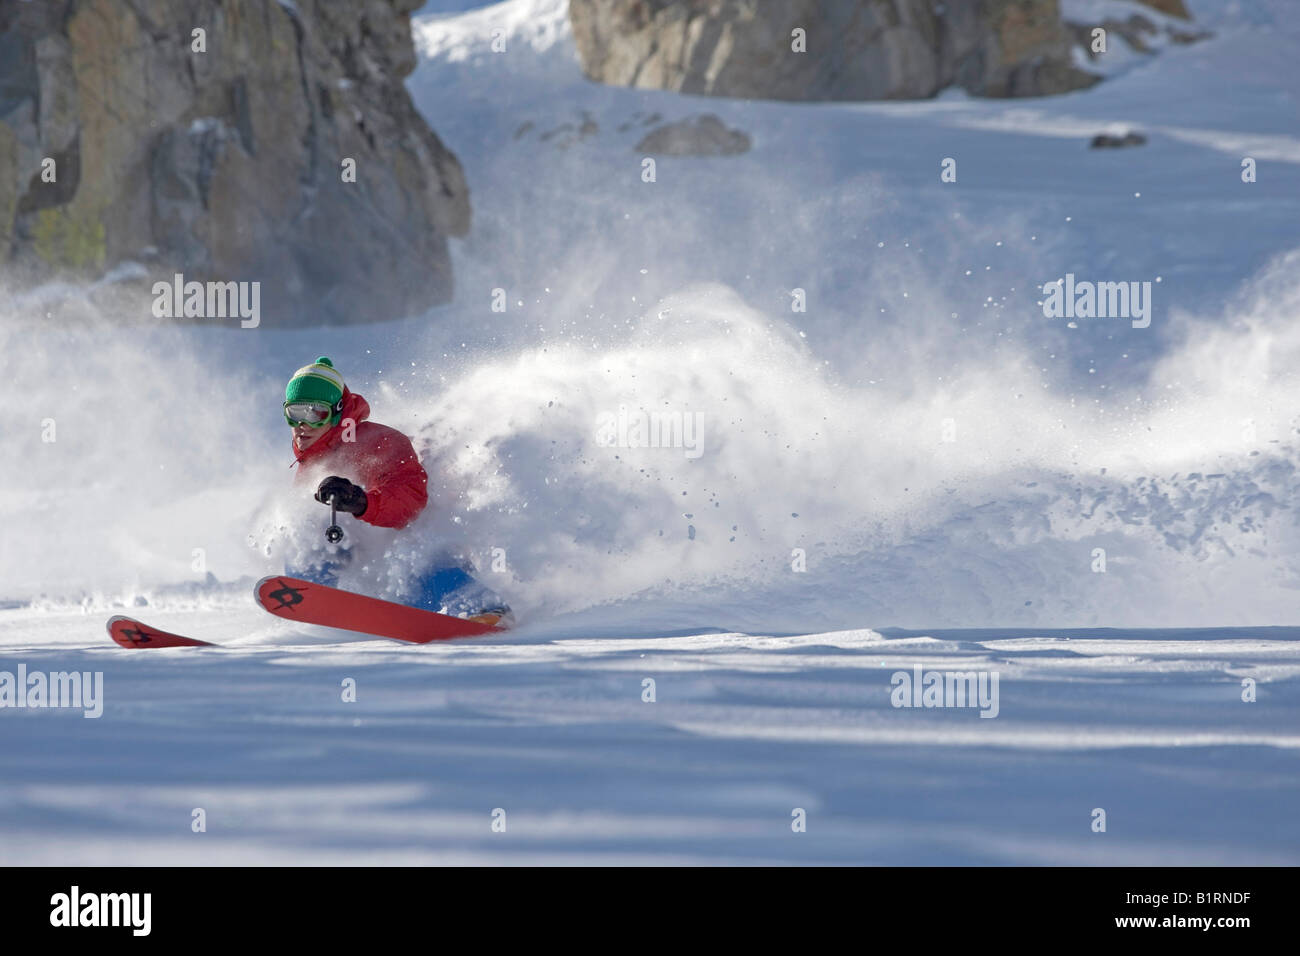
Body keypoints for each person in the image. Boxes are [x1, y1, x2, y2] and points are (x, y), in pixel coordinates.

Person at [283, 357, 511, 627]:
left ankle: (486, 608)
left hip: (421, 568)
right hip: (379, 582)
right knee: (303, 536)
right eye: (295, 412)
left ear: (336, 411)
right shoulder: (311, 461)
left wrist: (361, 502)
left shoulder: (379, 442)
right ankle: (304, 605)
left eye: (315, 412)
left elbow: (409, 502)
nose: (302, 424)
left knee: (419, 553)